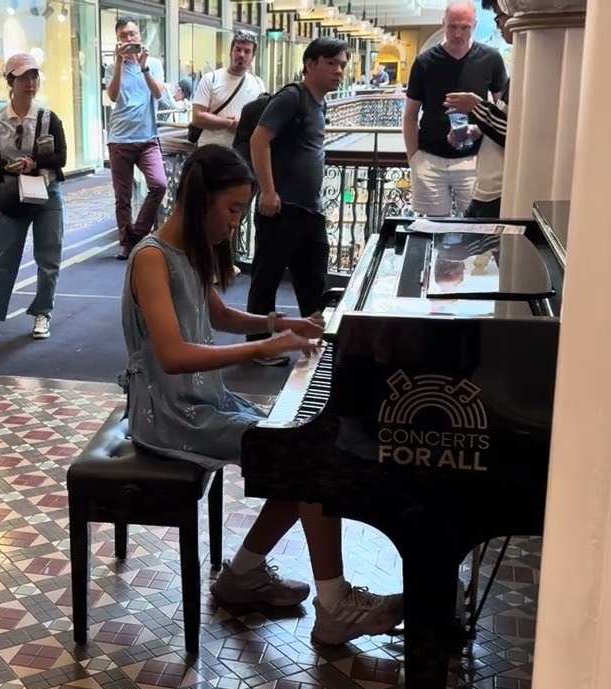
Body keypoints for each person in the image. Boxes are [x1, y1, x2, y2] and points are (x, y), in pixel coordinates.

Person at [121, 144, 404, 646]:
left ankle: (244, 574)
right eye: (231, 210)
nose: (235, 223)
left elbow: (222, 317)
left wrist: (283, 322)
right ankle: (334, 604)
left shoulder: (188, 252)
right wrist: (265, 348)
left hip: (202, 399)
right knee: (304, 455)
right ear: (201, 199)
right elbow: (173, 356)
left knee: (295, 451)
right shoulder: (151, 258)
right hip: (168, 413)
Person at [245, 37, 348, 366]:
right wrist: (269, 190)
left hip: (310, 210)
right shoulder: (292, 97)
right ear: (311, 64)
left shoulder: (320, 104)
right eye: (331, 63)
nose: (339, 70)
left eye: (342, 64)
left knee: (313, 281)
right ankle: (259, 346)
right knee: (267, 279)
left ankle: (314, 338)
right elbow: (259, 138)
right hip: (282, 208)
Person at [0, 53, 66, 340]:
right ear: (10, 80)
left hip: (47, 192)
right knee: (3, 255)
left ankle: (43, 311)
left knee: (49, 255)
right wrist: (11, 167)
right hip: (12, 194)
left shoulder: (48, 116)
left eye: (34, 76)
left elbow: (61, 157)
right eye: (23, 77)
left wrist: (36, 163)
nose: (30, 83)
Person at [402, 0, 508, 216]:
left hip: (473, 160)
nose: (458, 34)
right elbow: (410, 114)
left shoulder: (491, 59)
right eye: (453, 26)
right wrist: (414, 158)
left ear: (475, 26)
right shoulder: (425, 61)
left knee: (473, 228)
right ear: (443, 24)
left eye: (465, 27)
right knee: (432, 229)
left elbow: (502, 110)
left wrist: (478, 131)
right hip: (429, 158)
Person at [104, 17, 166, 260]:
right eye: (123, 35)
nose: (129, 39)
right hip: (120, 139)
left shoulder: (154, 64)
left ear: (139, 37)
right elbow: (113, 95)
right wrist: (119, 62)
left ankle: (137, 234)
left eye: (132, 34)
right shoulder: (112, 66)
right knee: (123, 196)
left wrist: (144, 66)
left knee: (159, 185)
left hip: (147, 138)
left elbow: (158, 93)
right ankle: (125, 243)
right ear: (119, 40)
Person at [445, 0, 513, 218]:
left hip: (500, 191)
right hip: (489, 188)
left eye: (499, 16)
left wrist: (475, 106)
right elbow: (507, 120)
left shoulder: (500, 60)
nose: (499, 26)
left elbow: (518, 135)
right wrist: (479, 131)